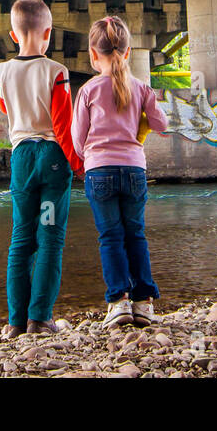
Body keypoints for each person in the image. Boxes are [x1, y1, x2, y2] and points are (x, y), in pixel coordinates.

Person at [0, 0, 82, 338]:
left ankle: (15, 322)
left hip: (21, 159)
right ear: (48, 33)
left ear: (14, 35)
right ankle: (40, 318)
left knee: (20, 240)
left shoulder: (1, 71)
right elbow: (63, 123)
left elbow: (4, 106)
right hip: (53, 159)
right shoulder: (57, 72)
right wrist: (79, 165)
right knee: (50, 238)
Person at [72, 16, 169, 328]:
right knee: (135, 234)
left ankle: (118, 303)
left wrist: (88, 158)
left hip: (99, 171)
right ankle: (144, 304)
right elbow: (162, 126)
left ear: (92, 54)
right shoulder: (141, 88)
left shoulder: (87, 91)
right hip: (133, 171)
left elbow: (77, 139)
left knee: (110, 237)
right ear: (128, 53)